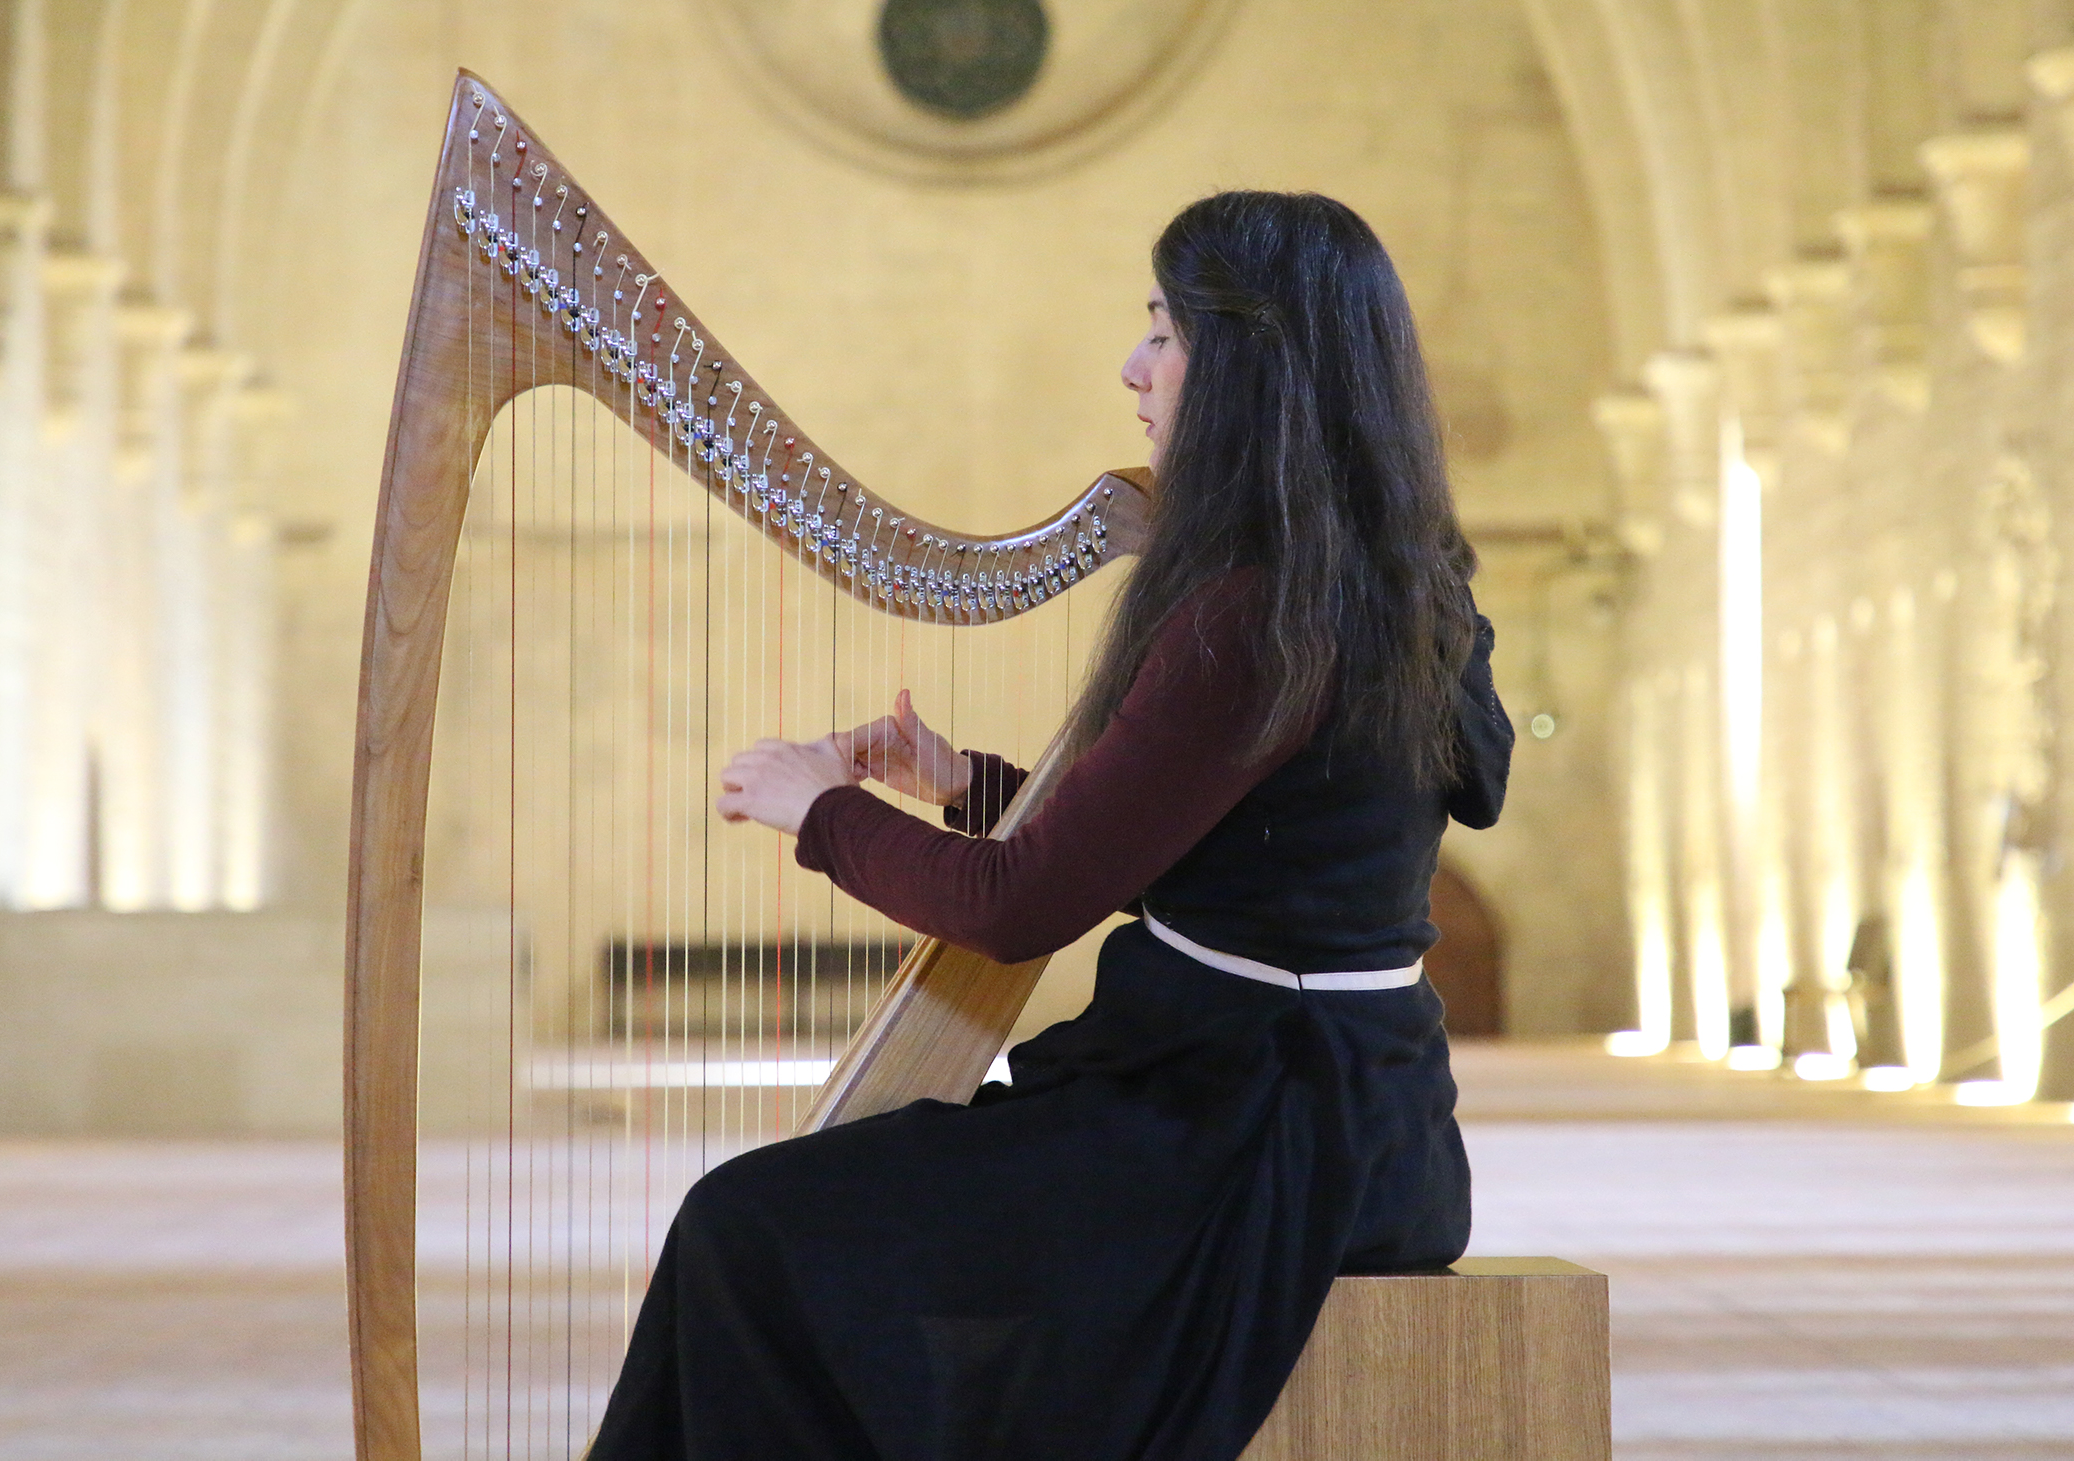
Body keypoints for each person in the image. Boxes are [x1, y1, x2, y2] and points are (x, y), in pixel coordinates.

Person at [588, 190, 1513, 1461]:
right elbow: (1244, 857)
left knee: (746, 1229)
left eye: (1164, 332)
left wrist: (823, 812)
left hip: (1247, 1139)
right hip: (1369, 1113)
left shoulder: (1250, 616)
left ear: (1249, 363)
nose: (1134, 370)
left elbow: (1021, 908)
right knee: (800, 1234)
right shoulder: (1391, 583)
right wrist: (964, 781)